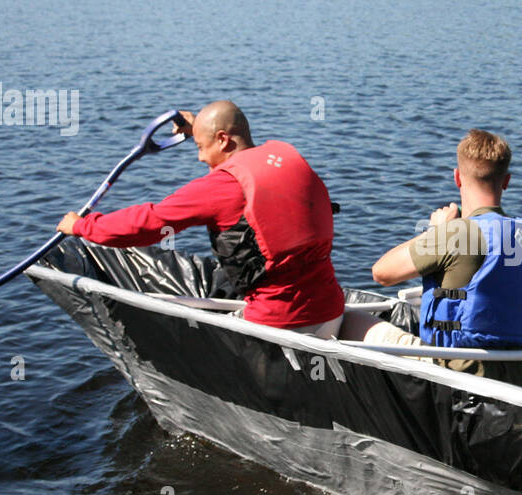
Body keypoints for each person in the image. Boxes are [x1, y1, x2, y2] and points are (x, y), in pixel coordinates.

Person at [56, 100, 345, 338]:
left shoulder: (223, 187)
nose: (199, 158)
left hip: (282, 325)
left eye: (200, 147)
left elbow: (150, 222)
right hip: (332, 312)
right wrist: (198, 129)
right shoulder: (284, 158)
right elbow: (237, 151)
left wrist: (81, 226)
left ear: (222, 139)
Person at [369, 129, 522, 384]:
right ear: (506, 181)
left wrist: (435, 232)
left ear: (457, 178)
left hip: (454, 371)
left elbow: (381, 273)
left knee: (354, 322)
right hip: (514, 370)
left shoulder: (456, 234)